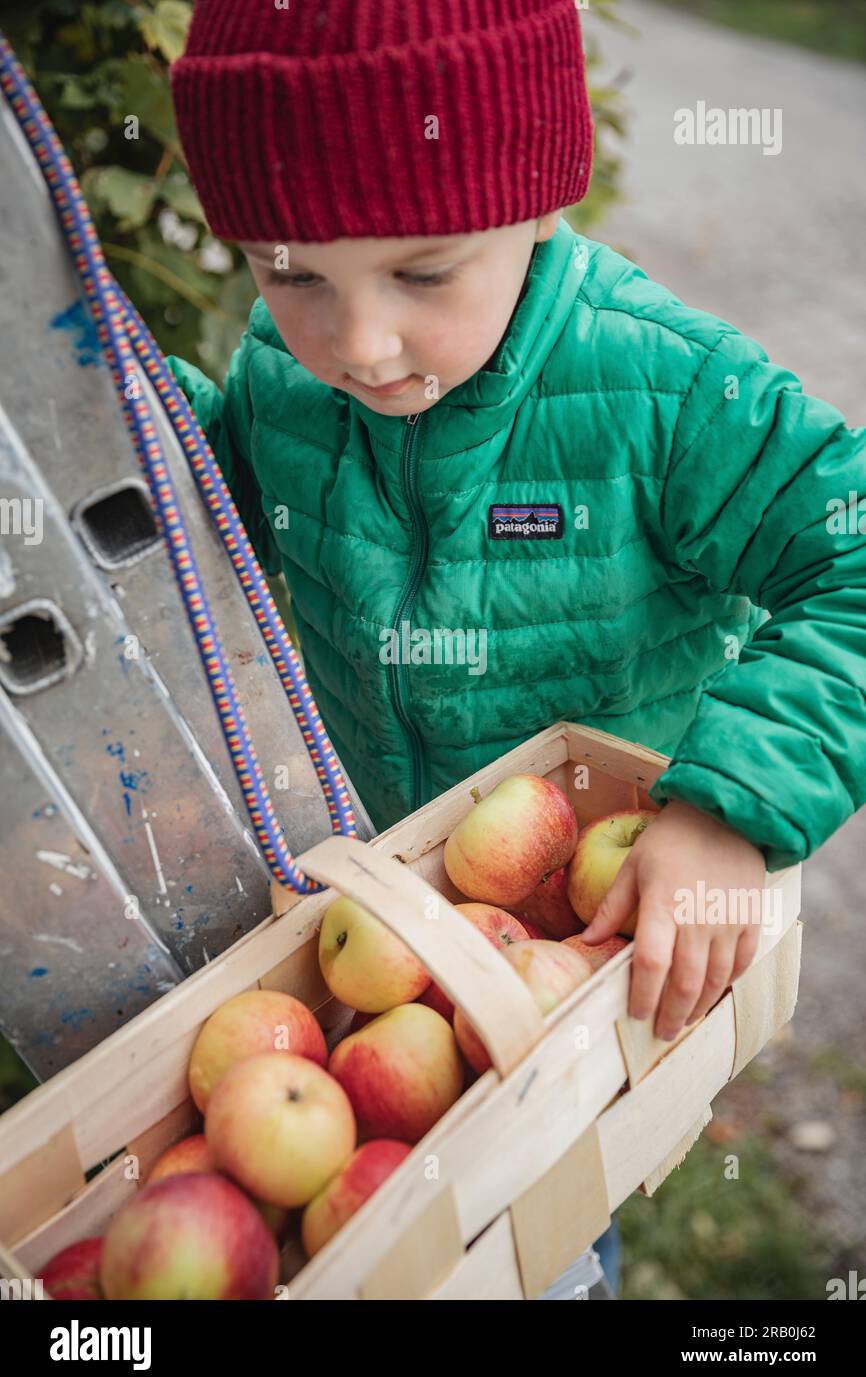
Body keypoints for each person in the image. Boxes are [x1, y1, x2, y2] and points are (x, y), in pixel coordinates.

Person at [165, 0, 866, 1296]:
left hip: (589, 951)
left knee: (534, 1243)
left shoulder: (659, 387)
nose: (357, 343)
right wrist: (149, 436)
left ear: (541, 201)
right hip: (393, 938)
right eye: (288, 270)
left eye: (423, 272)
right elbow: (226, 513)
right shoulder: (282, 372)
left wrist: (732, 807)